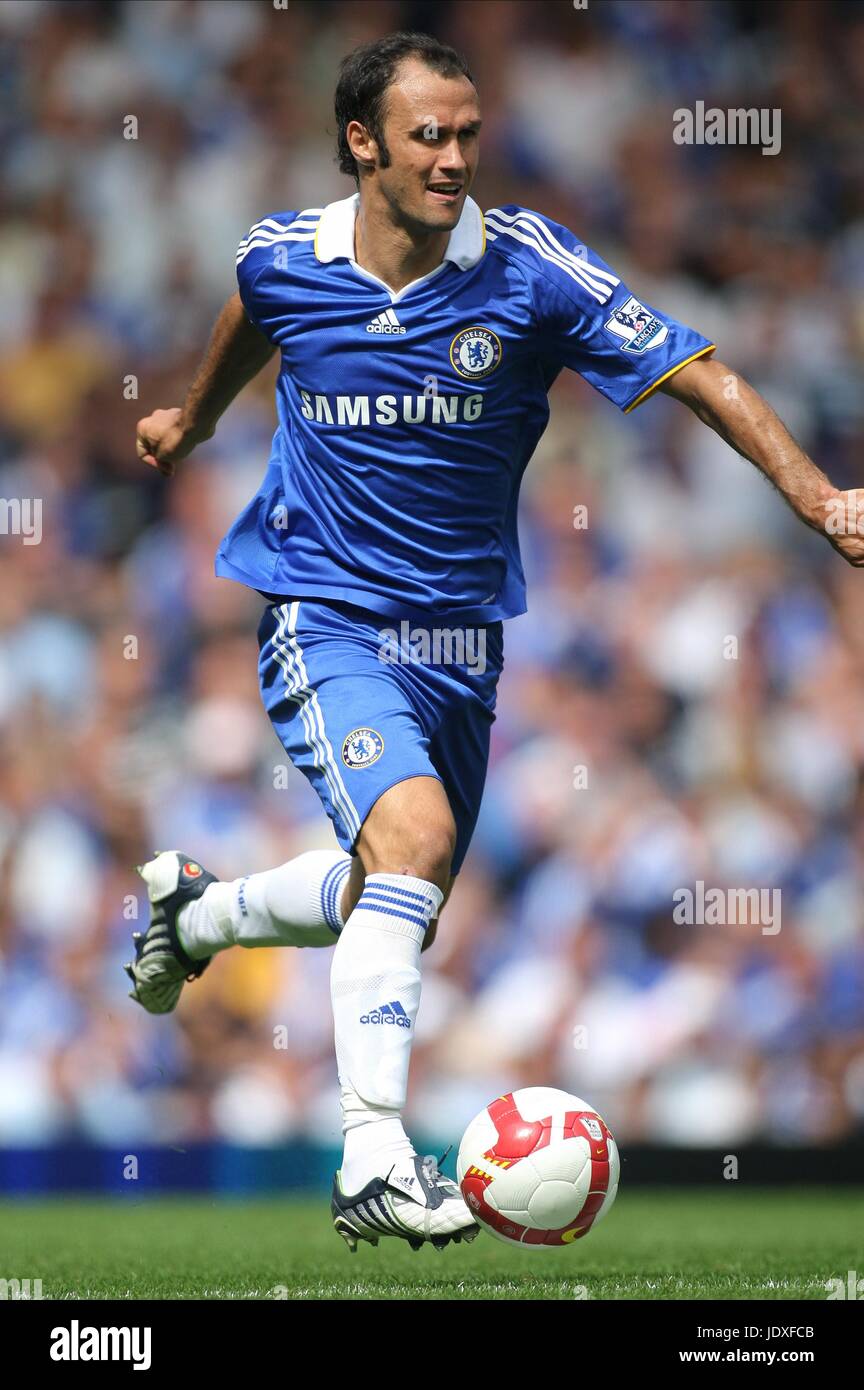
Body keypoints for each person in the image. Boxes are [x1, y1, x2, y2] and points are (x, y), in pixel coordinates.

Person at [128, 31, 864, 1253]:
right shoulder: (284, 259)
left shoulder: (529, 268)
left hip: (462, 638)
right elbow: (254, 313)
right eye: (431, 134)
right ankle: (370, 1153)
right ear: (362, 143)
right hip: (324, 609)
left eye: (469, 132)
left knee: (392, 888)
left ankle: (195, 918)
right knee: (409, 837)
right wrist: (194, 418)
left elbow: (697, 372)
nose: (457, 156)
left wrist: (822, 499)